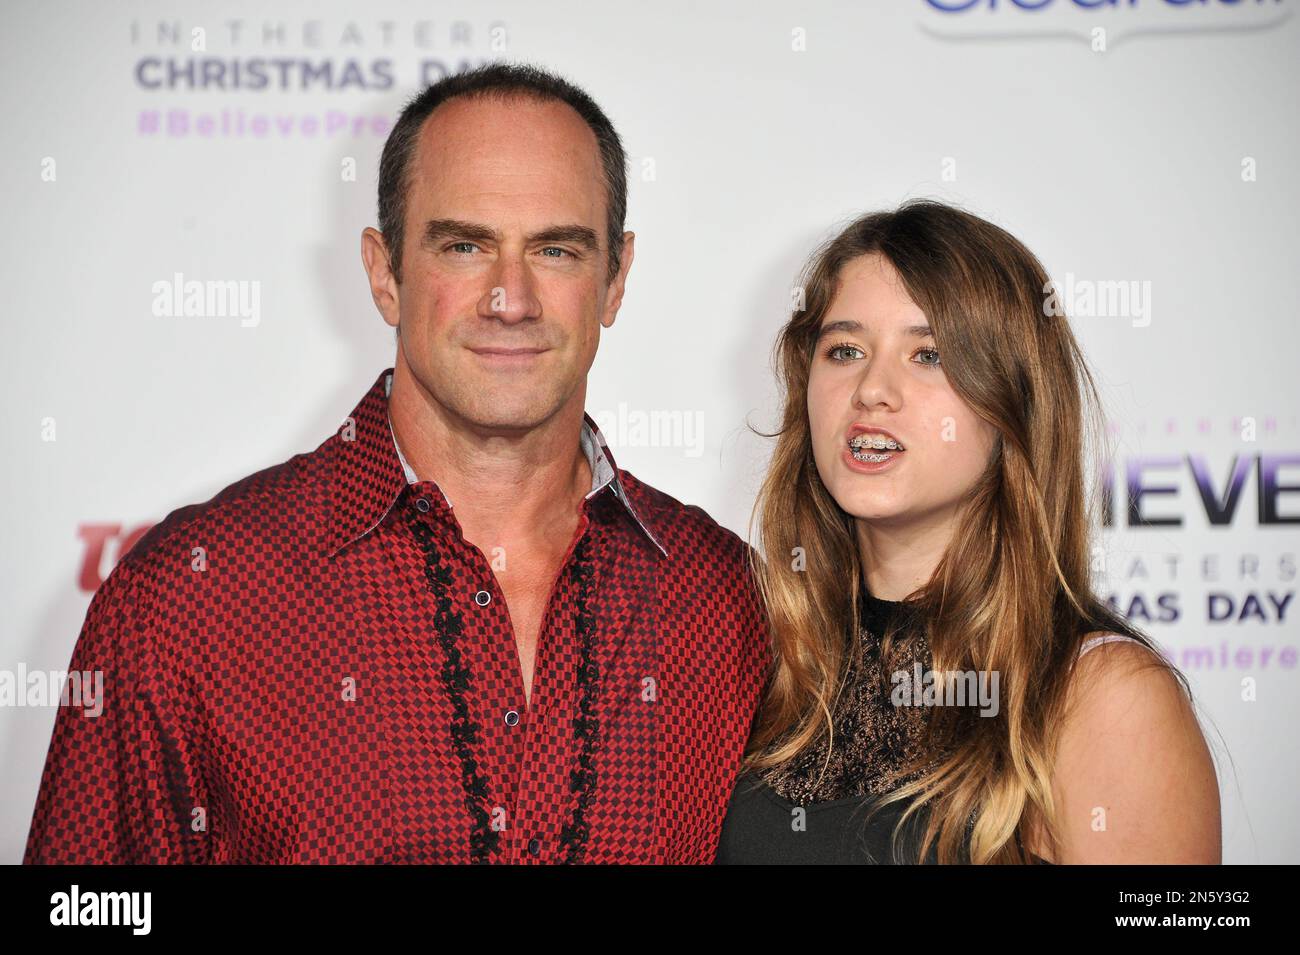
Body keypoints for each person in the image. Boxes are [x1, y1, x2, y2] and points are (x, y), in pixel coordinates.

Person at [24, 63, 768, 865]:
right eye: (463, 245)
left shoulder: (725, 600)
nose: (510, 297)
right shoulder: (189, 598)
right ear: (385, 274)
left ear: (615, 280)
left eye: (556, 249)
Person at [716, 200, 1221, 864]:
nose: (871, 389)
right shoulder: (767, 665)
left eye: (928, 354)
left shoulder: (1101, 698)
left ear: (1010, 399)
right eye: (844, 349)